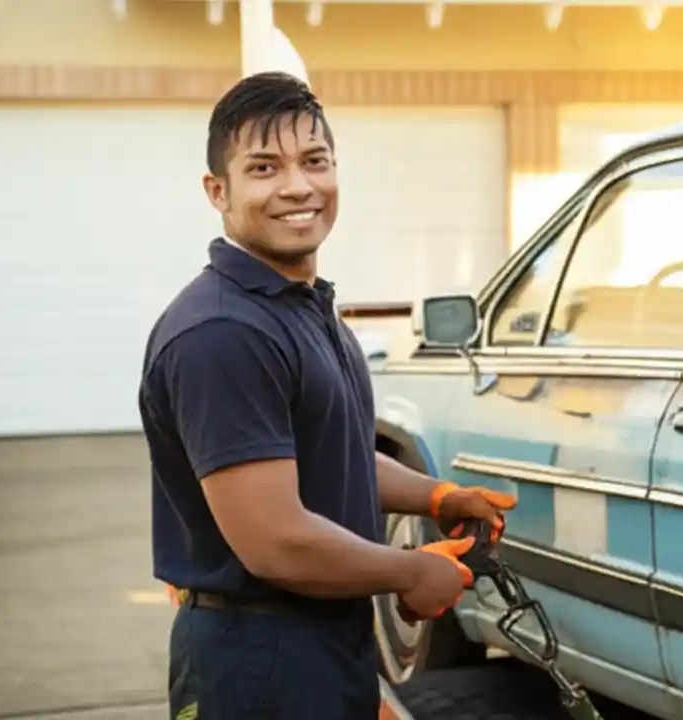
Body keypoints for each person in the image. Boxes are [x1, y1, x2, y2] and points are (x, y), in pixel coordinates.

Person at [137, 71, 516, 720]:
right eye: (263, 167)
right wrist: (409, 571)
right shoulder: (224, 332)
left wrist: (435, 496)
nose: (296, 186)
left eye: (315, 161)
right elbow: (277, 541)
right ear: (217, 191)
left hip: (321, 639)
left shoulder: (305, 309)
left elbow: (327, 455)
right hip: (255, 658)